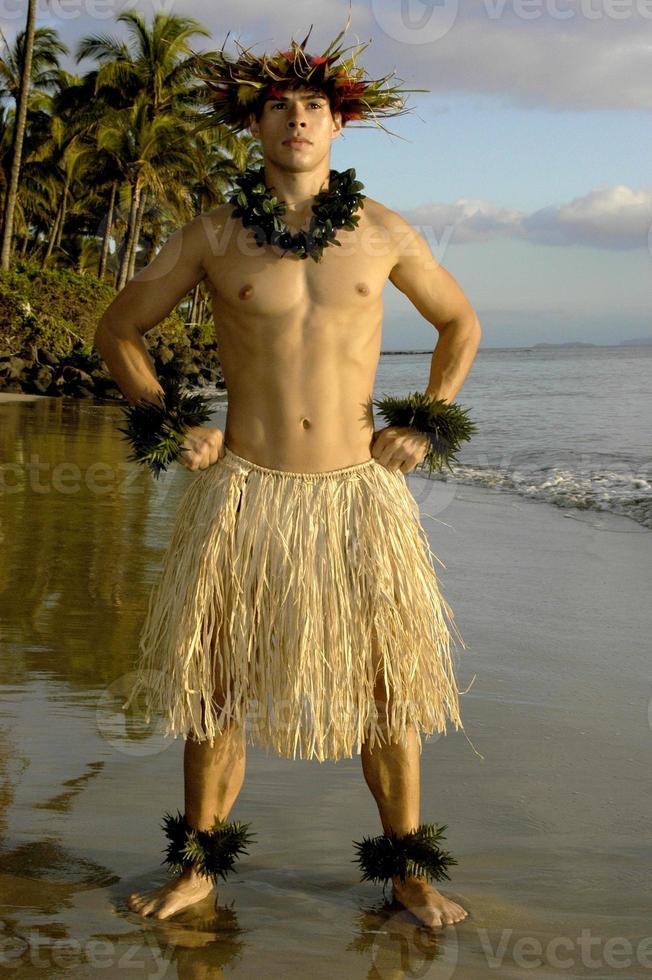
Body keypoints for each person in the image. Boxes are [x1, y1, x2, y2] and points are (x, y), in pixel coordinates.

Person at [95, 25, 481, 928]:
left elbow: (459, 324)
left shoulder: (384, 232)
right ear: (256, 126)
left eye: (313, 107)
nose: (297, 120)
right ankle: (197, 867)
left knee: (390, 685)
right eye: (279, 107)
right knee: (213, 684)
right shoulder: (214, 236)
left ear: (337, 125)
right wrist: (168, 420)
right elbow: (119, 327)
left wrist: (422, 422)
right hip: (244, 490)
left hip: (356, 496)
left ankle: (407, 871)